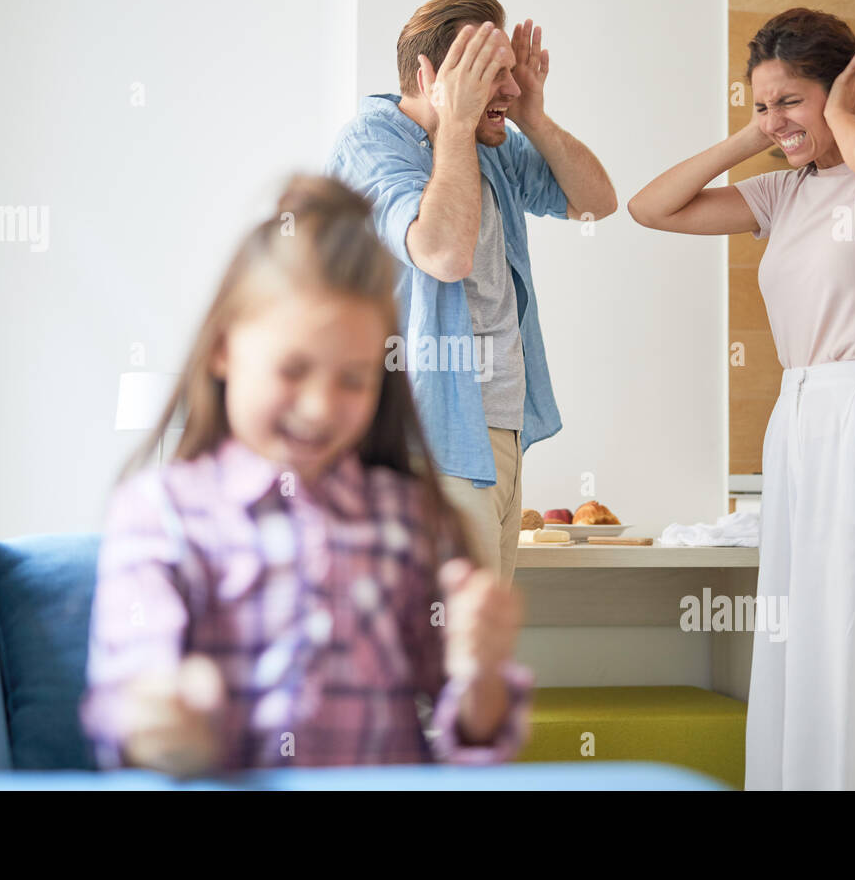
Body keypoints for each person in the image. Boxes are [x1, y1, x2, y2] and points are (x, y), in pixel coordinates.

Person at [80, 174, 532, 775]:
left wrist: (480, 678)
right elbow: (127, 702)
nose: (320, 407)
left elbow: (469, 734)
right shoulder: (160, 512)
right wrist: (168, 719)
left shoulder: (408, 518)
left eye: (353, 378)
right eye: (292, 369)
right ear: (222, 350)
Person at [628, 8, 855, 790]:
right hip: (797, 422)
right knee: (802, 639)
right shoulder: (781, 193)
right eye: (760, 102)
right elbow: (651, 208)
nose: (776, 119)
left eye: (790, 100)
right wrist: (754, 136)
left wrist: (842, 111)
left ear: (847, 88)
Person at [327, 0, 617, 584]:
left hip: (499, 431)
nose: (510, 89)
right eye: (493, 75)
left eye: (511, 74)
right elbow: (441, 252)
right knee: (444, 649)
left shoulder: (493, 147)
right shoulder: (371, 144)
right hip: (423, 439)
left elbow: (596, 204)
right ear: (434, 76)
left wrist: (532, 115)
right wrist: (456, 124)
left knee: (481, 645)